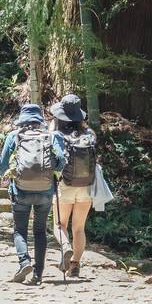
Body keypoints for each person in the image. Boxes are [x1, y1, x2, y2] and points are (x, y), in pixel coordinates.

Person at [0, 103, 67, 285]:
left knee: (20, 229)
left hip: (20, 190)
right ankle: (38, 274)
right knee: (40, 231)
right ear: (40, 118)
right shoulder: (51, 136)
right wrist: (52, 172)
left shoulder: (14, 136)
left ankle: (24, 262)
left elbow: (2, 166)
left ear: (22, 119)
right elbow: (61, 162)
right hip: (45, 191)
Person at [50, 93, 98, 277]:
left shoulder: (58, 135)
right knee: (79, 228)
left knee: (59, 224)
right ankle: (75, 264)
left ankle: (65, 247)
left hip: (64, 185)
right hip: (86, 185)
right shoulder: (90, 134)